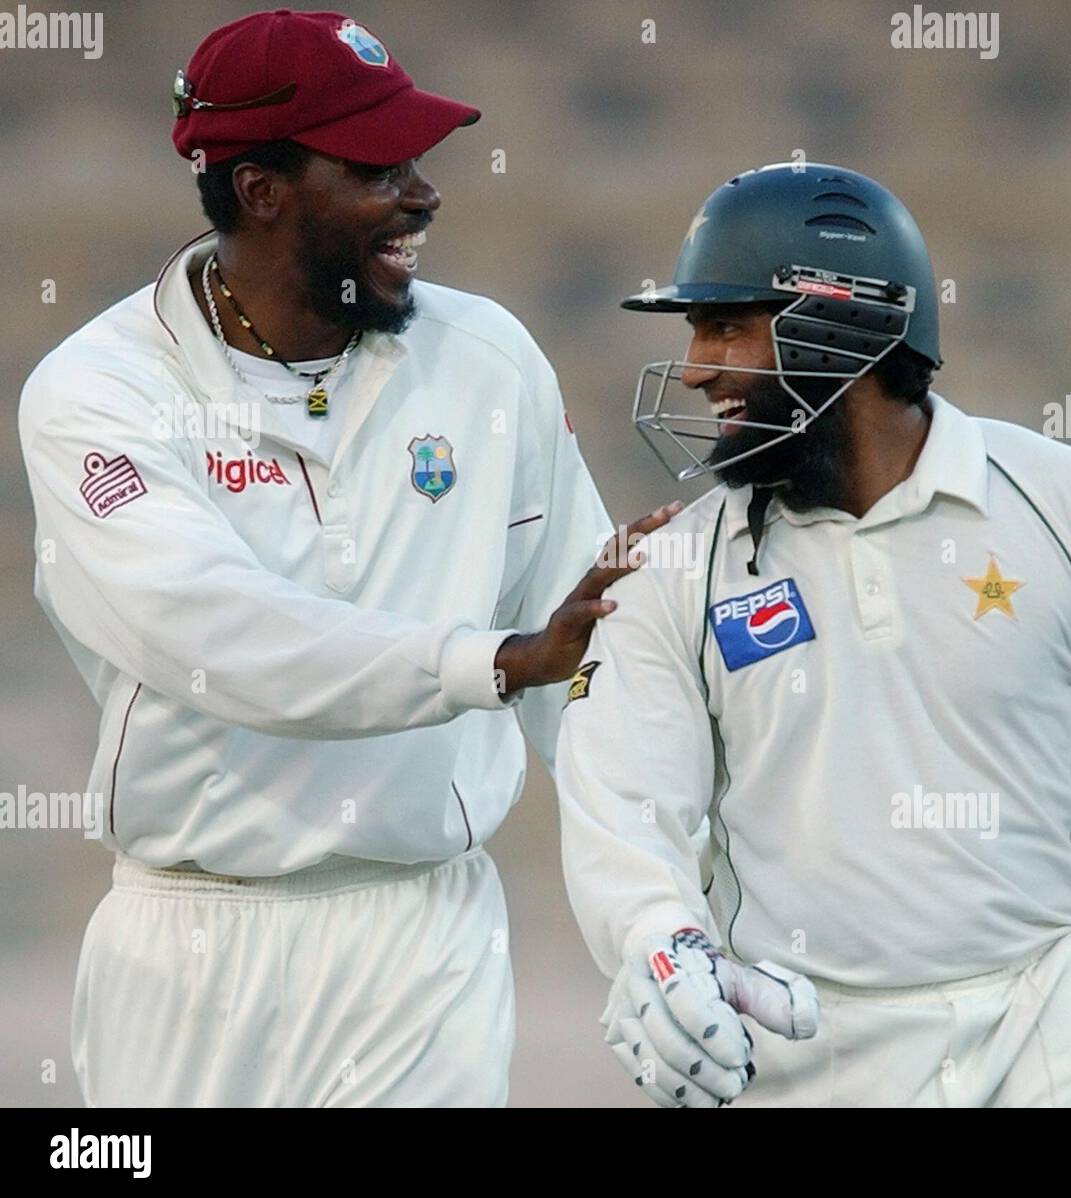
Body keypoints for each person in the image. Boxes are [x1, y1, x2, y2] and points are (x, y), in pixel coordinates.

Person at [18, 9, 676, 1107]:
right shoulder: (99, 393)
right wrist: (491, 663)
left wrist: (664, 920)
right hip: (189, 942)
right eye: (376, 167)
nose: (421, 194)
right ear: (261, 192)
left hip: (420, 938)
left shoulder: (488, 360)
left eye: (415, 161)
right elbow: (220, 638)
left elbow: (588, 674)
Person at [555, 162, 1071, 1108]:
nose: (697, 367)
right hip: (805, 1041)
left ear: (845, 326)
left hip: (1047, 1017)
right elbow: (623, 805)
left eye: (728, 326)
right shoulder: (671, 567)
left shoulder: (1066, 501)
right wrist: (663, 943)